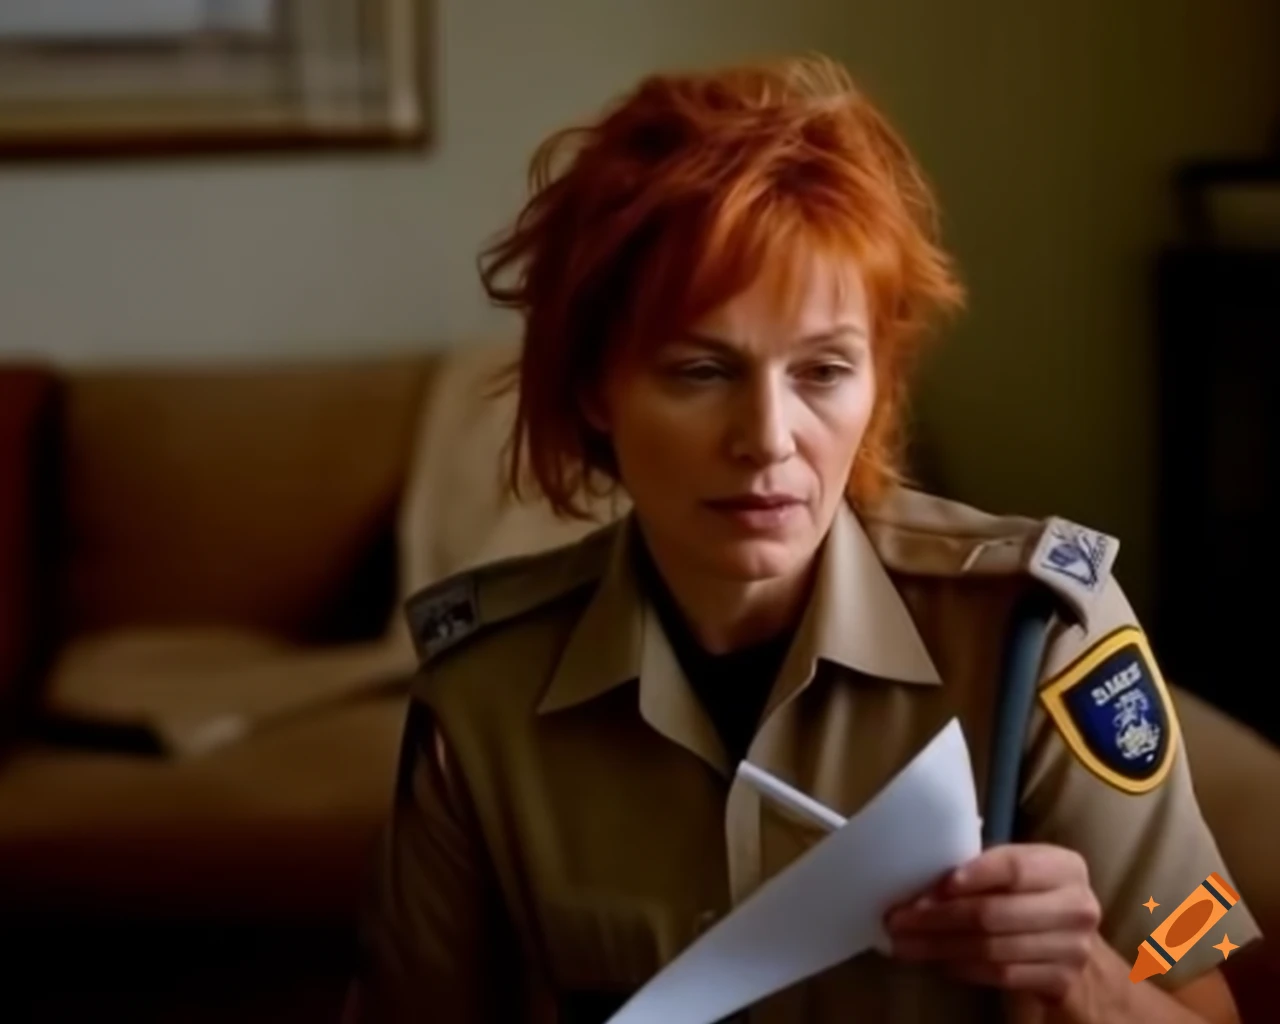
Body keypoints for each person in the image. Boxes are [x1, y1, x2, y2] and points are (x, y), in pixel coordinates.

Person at [344, 54, 1261, 1023]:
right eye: (701, 371)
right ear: (593, 388)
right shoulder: (481, 696)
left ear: (878, 382)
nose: (768, 439)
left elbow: (1205, 1002)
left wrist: (1083, 976)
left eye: (822, 372)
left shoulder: (1039, 635)